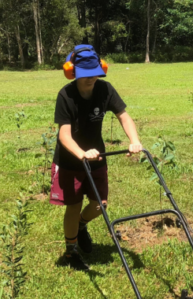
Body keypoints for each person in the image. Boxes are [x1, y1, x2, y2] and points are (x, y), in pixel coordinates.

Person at [51, 44, 142, 271]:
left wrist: (134, 140)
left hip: (97, 158)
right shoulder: (66, 95)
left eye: (94, 73)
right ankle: (71, 253)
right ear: (72, 72)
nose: (90, 78)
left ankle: (82, 226)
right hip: (71, 160)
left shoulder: (105, 90)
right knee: (73, 207)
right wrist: (82, 153)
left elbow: (124, 116)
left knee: (99, 205)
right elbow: (64, 135)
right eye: (85, 75)